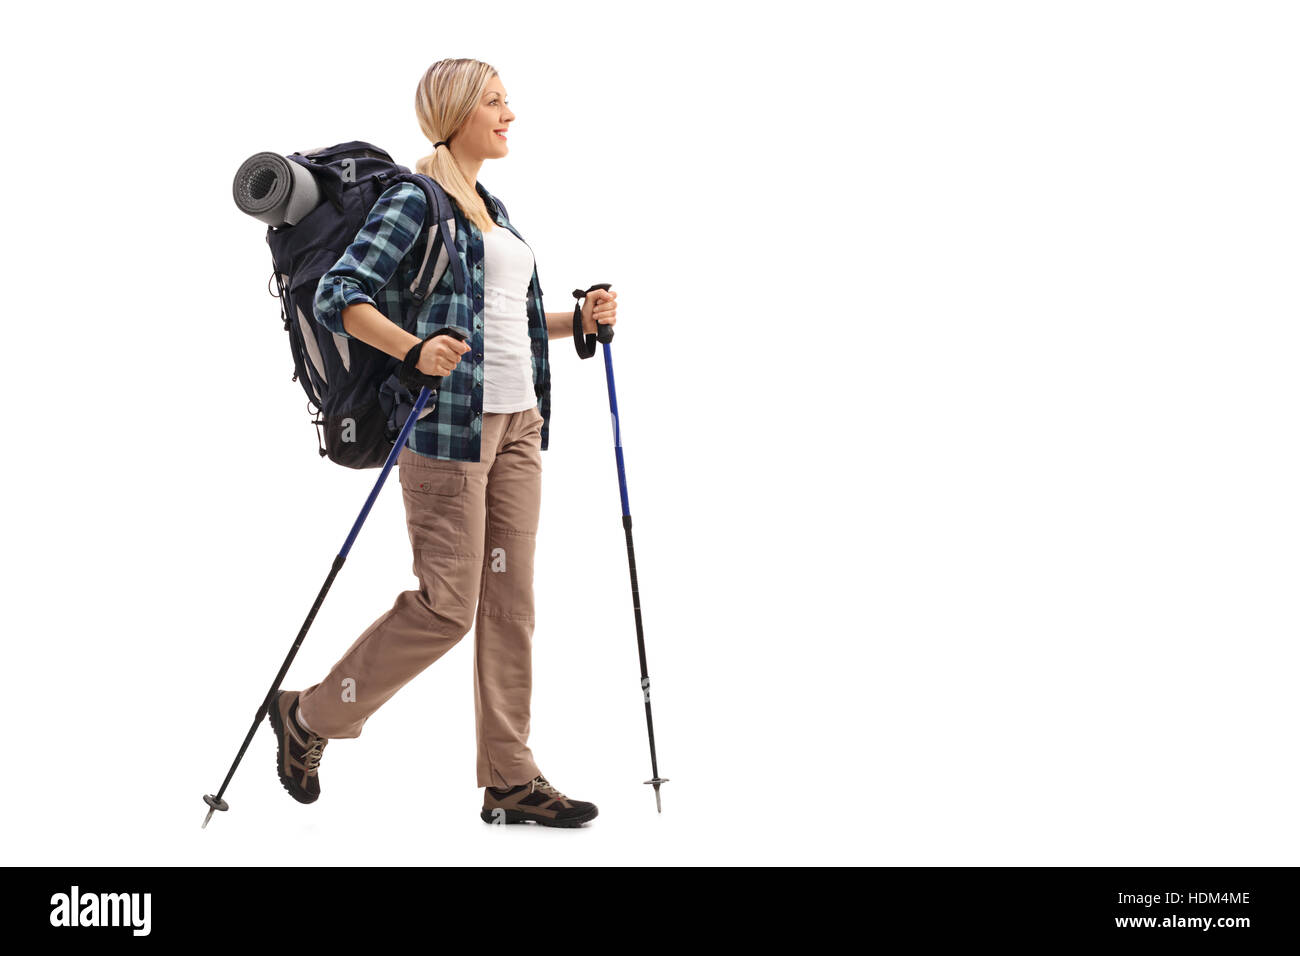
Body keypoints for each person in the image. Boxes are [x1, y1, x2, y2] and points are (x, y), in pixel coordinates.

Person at [265, 58, 618, 827]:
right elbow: (339, 295)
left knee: (509, 606)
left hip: (520, 422)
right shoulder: (412, 199)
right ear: (457, 111)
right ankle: (309, 716)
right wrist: (412, 349)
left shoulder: (490, 206)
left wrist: (578, 321)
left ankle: (511, 779)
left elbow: (507, 323)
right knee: (447, 607)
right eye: (495, 101)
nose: (509, 114)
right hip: (447, 430)